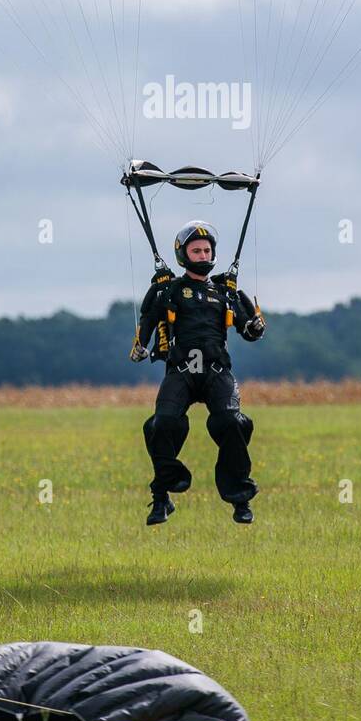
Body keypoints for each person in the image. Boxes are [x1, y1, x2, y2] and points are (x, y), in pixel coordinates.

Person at [130, 220, 265, 526]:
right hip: (181, 372)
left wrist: (255, 326)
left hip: (217, 371)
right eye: (196, 251)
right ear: (184, 255)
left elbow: (248, 331)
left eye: (207, 250)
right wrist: (140, 346)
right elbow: (148, 322)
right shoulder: (169, 291)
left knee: (232, 421)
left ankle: (239, 497)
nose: (203, 255)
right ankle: (163, 496)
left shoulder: (225, 292)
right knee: (162, 423)